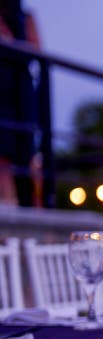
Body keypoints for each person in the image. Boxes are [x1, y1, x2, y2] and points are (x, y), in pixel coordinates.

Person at [0, 0, 40, 206]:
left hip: (21, 100)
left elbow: (37, 52)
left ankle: (28, 212)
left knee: (26, 159)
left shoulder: (25, 18)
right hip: (4, 101)